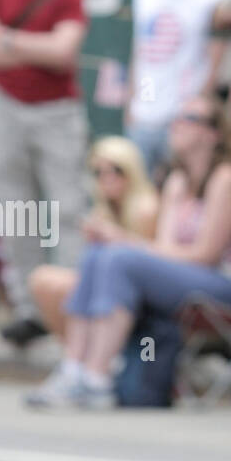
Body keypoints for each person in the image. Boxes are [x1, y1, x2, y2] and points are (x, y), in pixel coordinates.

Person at [26, 97, 231, 409]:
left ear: (214, 133)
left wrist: (123, 239)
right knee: (99, 252)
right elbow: (164, 248)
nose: (177, 124)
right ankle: (75, 370)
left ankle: (97, 377)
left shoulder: (226, 177)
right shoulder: (177, 181)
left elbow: (205, 255)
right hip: (186, 280)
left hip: (229, 288)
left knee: (118, 254)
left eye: (190, 118)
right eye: (177, 117)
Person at [0, 0, 88, 347]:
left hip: (56, 111)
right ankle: (30, 308)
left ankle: (68, 305)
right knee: (16, 211)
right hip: (6, 107)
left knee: (66, 209)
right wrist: (31, 46)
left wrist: (9, 40)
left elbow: (63, 52)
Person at [126, 0, 226, 176]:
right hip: (142, 121)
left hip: (184, 121)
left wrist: (196, 114)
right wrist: (131, 108)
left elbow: (218, 57)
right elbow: (139, 54)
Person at [30, 137, 158, 337]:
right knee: (43, 280)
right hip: (104, 283)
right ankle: (75, 358)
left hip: (135, 292)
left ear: (131, 170)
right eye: (99, 172)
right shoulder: (102, 210)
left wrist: (116, 237)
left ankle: (87, 358)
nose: (107, 178)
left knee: (59, 287)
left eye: (116, 170)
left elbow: (153, 259)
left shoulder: (146, 207)